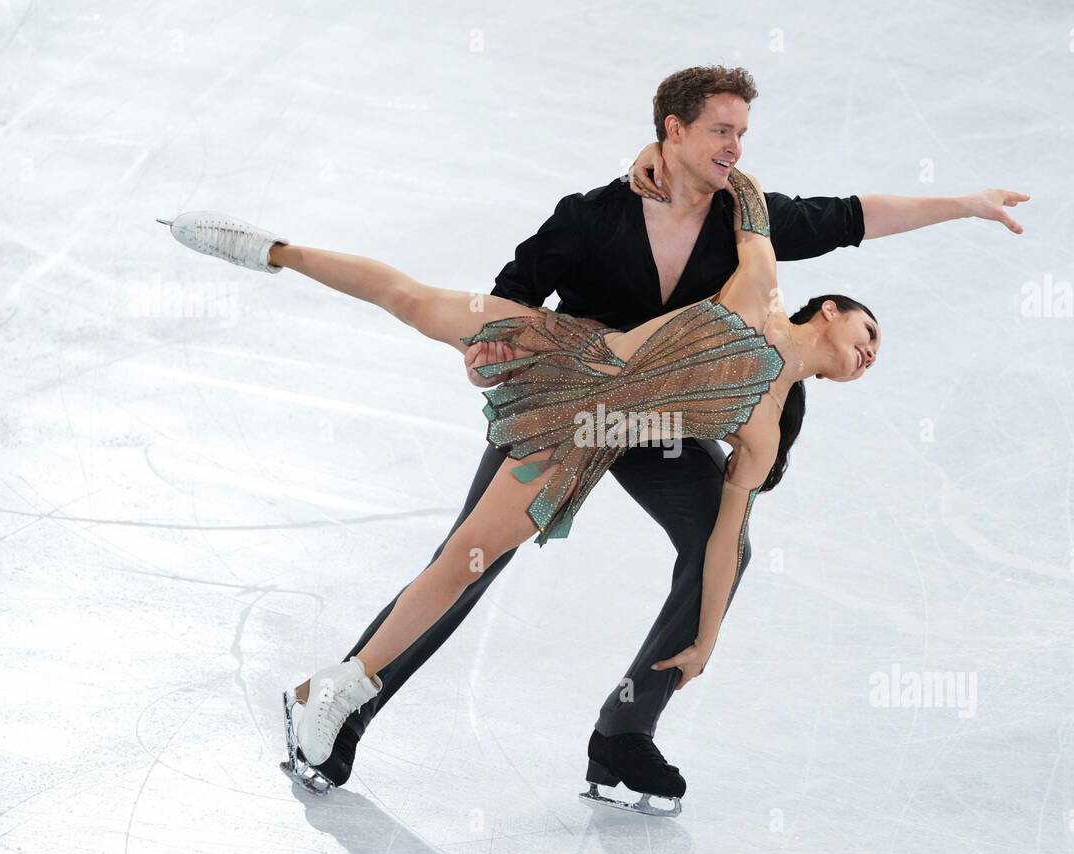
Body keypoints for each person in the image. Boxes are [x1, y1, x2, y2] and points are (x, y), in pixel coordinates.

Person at [159, 65, 1028, 814]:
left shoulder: (759, 371)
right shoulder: (647, 234)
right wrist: (498, 344)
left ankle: (623, 733)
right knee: (428, 358)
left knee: (688, 547)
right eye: (719, 130)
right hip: (567, 371)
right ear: (672, 130)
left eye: (743, 134)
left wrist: (964, 205)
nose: (735, 145)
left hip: (638, 424)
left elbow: (851, 214)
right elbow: (527, 280)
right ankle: (265, 249)